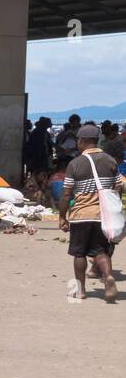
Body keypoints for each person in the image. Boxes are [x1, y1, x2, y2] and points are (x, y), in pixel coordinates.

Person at [59, 123, 120, 302]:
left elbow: (66, 194)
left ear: (82, 141)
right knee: (100, 251)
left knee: (79, 253)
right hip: (103, 215)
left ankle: (81, 291)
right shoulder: (110, 160)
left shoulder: (75, 164)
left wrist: (62, 216)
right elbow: (118, 186)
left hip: (81, 216)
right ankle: (108, 276)